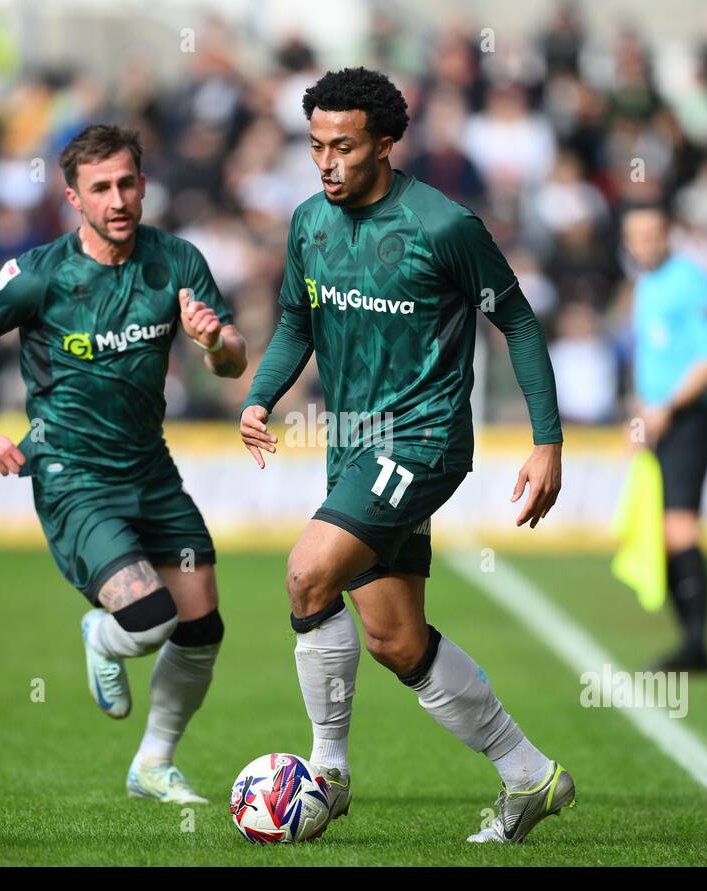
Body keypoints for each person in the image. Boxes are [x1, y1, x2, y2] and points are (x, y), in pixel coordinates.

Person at [239, 68, 571, 844]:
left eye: (344, 146)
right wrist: (261, 396)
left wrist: (547, 441)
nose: (326, 161)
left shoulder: (444, 225)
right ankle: (530, 776)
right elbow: (296, 320)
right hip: (354, 449)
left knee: (305, 573)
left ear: (386, 144)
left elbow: (518, 323)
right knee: (394, 640)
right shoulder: (307, 225)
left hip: (422, 441)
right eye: (316, 145)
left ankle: (326, 773)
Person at [0, 124, 247, 803]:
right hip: (75, 476)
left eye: (127, 183)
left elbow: (232, 360)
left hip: (150, 469)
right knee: (151, 619)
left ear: (144, 183)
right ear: (74, 198)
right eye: (100, 188)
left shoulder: (177, 260)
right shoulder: (42, 273)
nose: (118, 199)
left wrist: (215, 341)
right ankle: (103, 637)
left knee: (203, 623)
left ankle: (153, 765)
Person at [622, 204, 707, 673]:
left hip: (693, 415)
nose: (644, 244)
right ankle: (692, 643)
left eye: (653, 234)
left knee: (679, 527)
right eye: (636, 236)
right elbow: (654, 360)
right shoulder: (645, 285)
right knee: (656, 530)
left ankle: (695, 644)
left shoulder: (692, 282)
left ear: (670, 235)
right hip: (661, 417)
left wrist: (665, 408)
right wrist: (643, 414)